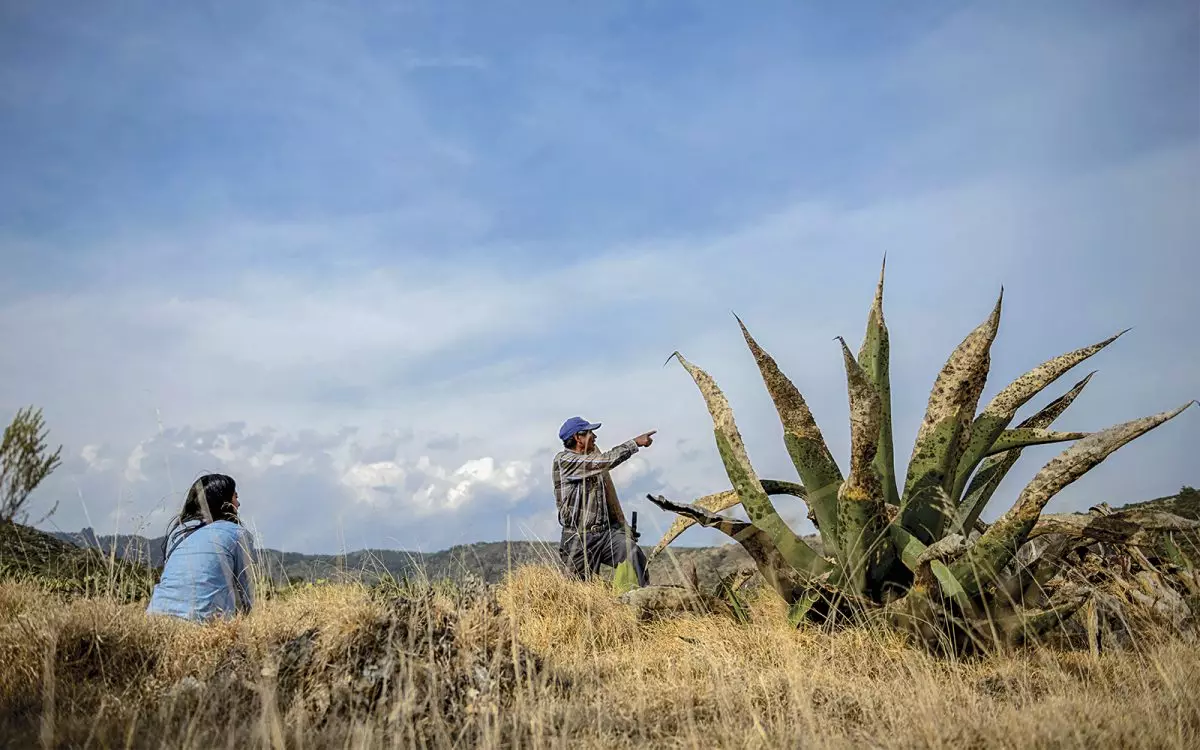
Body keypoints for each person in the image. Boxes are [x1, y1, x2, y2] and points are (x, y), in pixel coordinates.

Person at [553, 416, 656, 587]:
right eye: (590, 433)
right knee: (579, 592)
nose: (594, 437)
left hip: (604, 533)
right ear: (578, 438)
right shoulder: (564, 461)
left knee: (631, 553)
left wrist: (621, 527)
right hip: (578, 538)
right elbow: (604, 461)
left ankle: (641, 601)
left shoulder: (593, 462)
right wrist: (634, 443)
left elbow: (605, 500)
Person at [146, 473, 256, 622]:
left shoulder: (179, 533)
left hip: (155, 617)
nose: (238, 504)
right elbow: (247, 593)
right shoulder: (237, 533)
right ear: (225, 503)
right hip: (201, 622)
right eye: (235, 497)